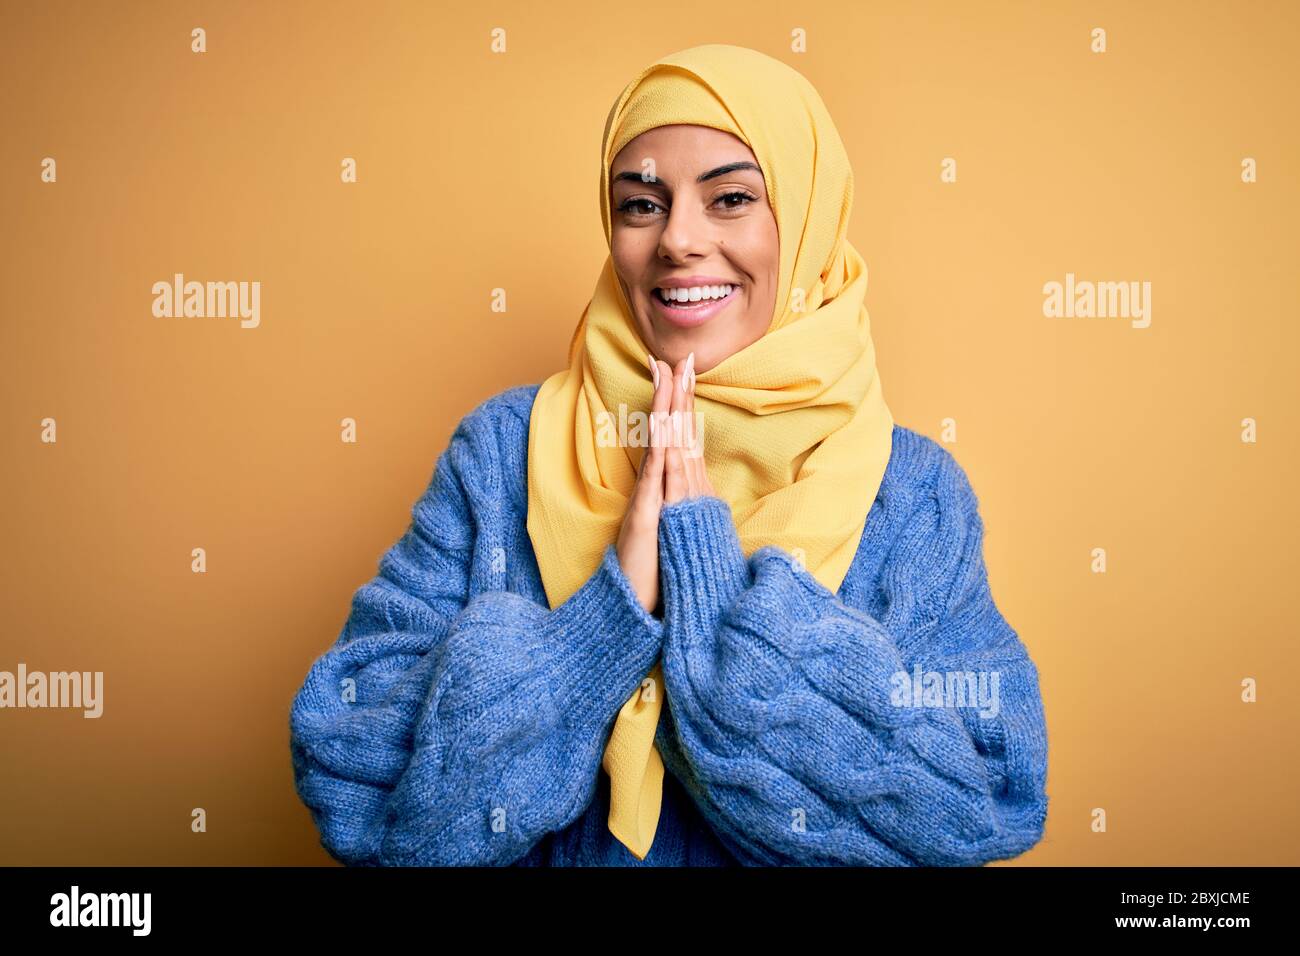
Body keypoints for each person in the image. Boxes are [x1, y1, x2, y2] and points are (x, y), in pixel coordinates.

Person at [288, 43, 1049, 867]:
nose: (678, 240)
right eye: (640, 204)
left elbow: (981, 807)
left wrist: (716, 611)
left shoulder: (908, 492)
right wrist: (598, 626)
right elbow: (357, 784)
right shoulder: (506, 453)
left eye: (729, 199)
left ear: (805, 222)